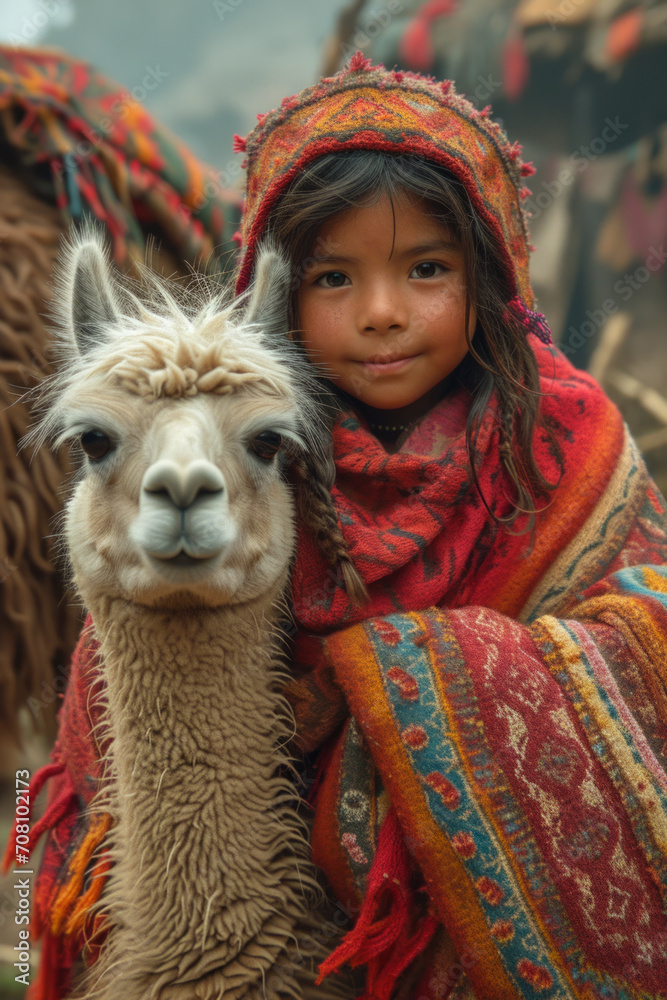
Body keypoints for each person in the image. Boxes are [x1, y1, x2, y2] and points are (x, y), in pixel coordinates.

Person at [7, 53, 667, 1000]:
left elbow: (643, 646)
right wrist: (28, 957)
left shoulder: (561, 450)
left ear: (488, 275)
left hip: (453, 936)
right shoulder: (280, 458)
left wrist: (413, 683)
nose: (384, 313)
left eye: (427, 270)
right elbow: (48, 815)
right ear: (280, 299)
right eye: (334, 278)